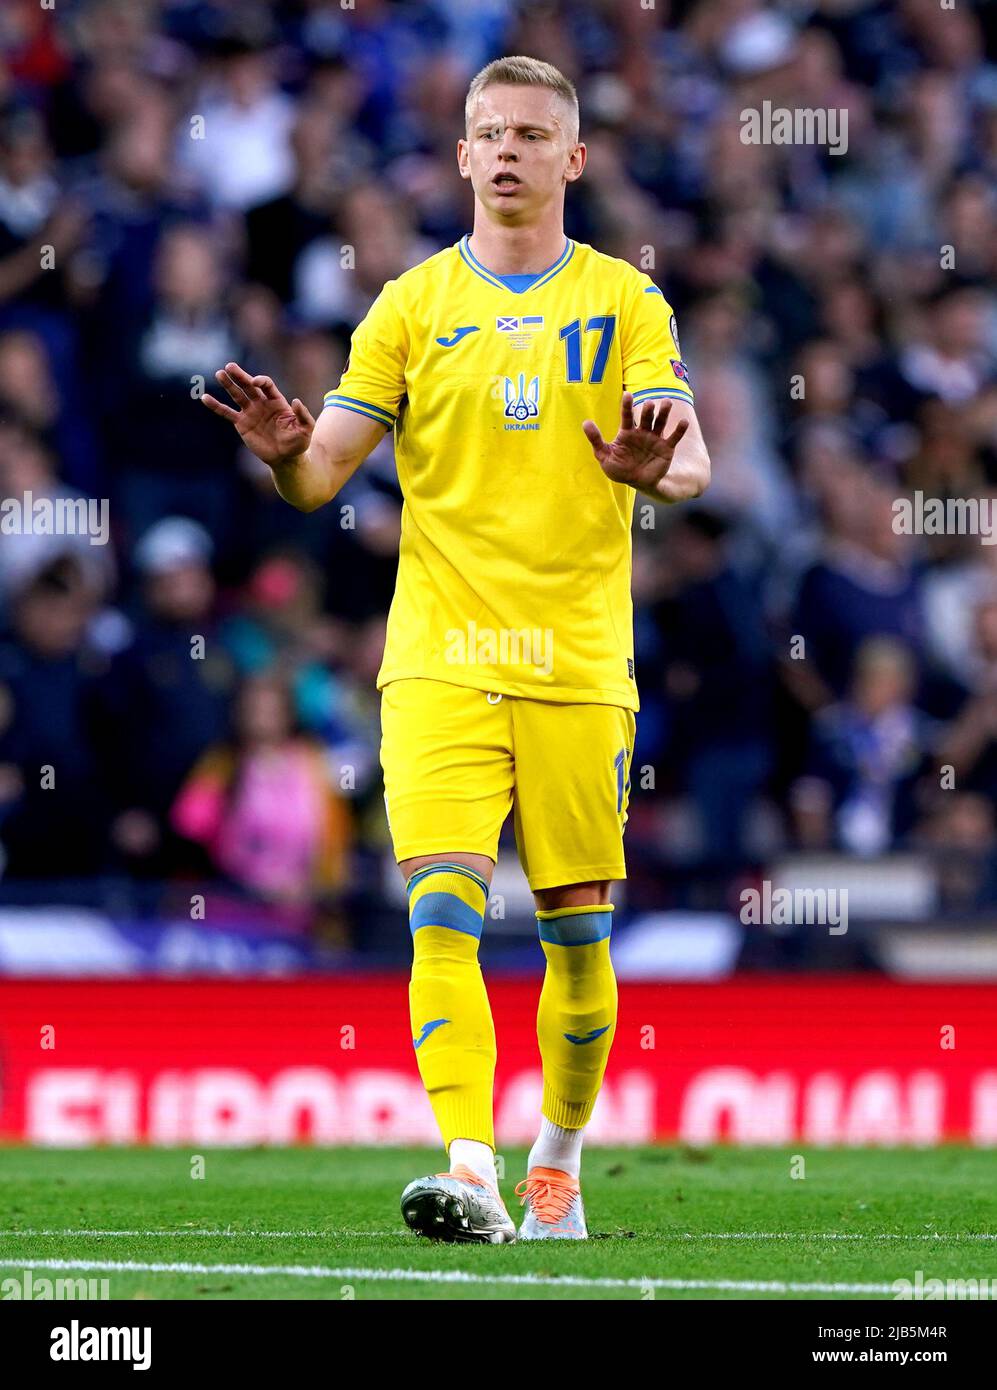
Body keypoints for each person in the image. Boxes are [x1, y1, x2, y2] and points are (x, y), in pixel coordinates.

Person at [202, 56, 710, 1243]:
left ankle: (556, 1164)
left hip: (580, 661)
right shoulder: (409, 306)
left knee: (576, 934)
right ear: (464, 154)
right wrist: (284, 453)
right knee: (442, 911)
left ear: (572, 159)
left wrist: (661, 475)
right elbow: (319, 471)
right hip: (439, 656)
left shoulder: (626, 302)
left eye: (534, 134)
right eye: (489, 133)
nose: (509, 152)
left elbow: (686, 456)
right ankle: (471, 1169)